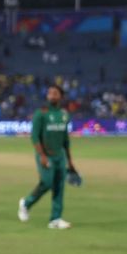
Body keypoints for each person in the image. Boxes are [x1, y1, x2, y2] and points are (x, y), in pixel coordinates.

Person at [18, 84, 75, 229]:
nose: (51, 95)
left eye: (55, 93)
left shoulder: (64, 115)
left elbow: (65, 139)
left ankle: (55, 219)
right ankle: (26, 203)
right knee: (47, 182)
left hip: (60, 157)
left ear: (60, 96)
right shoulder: (41, 113)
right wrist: (42, 155)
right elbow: (35, 137)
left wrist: (70, 160)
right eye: (49, 93)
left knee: (59, 187)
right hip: (45, 156)